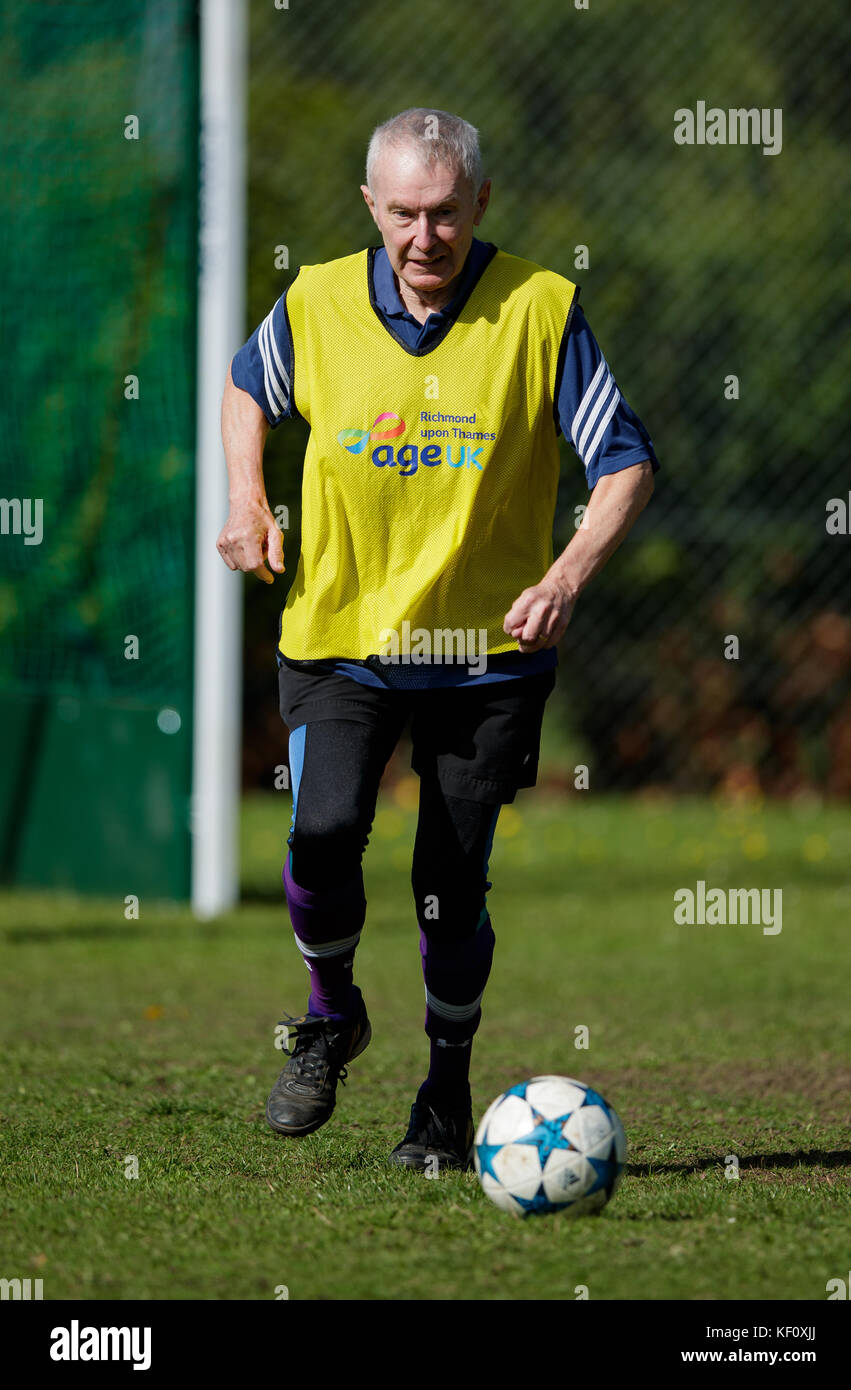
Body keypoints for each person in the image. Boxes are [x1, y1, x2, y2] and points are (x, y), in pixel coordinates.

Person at [217, 107, 658, 1171]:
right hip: (340, 635)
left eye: (446, 214)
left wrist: (562, 576)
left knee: (448, 881)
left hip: (488, 653)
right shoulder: (316, 299)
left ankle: (444, 1093)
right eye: (404, 214)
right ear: (370, 206)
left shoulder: (540, 309)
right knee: (321, 835)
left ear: (480, 206)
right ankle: (330, 1016)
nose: (425, 238)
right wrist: (246, 498)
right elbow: (246, 387)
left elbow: (624, 461)